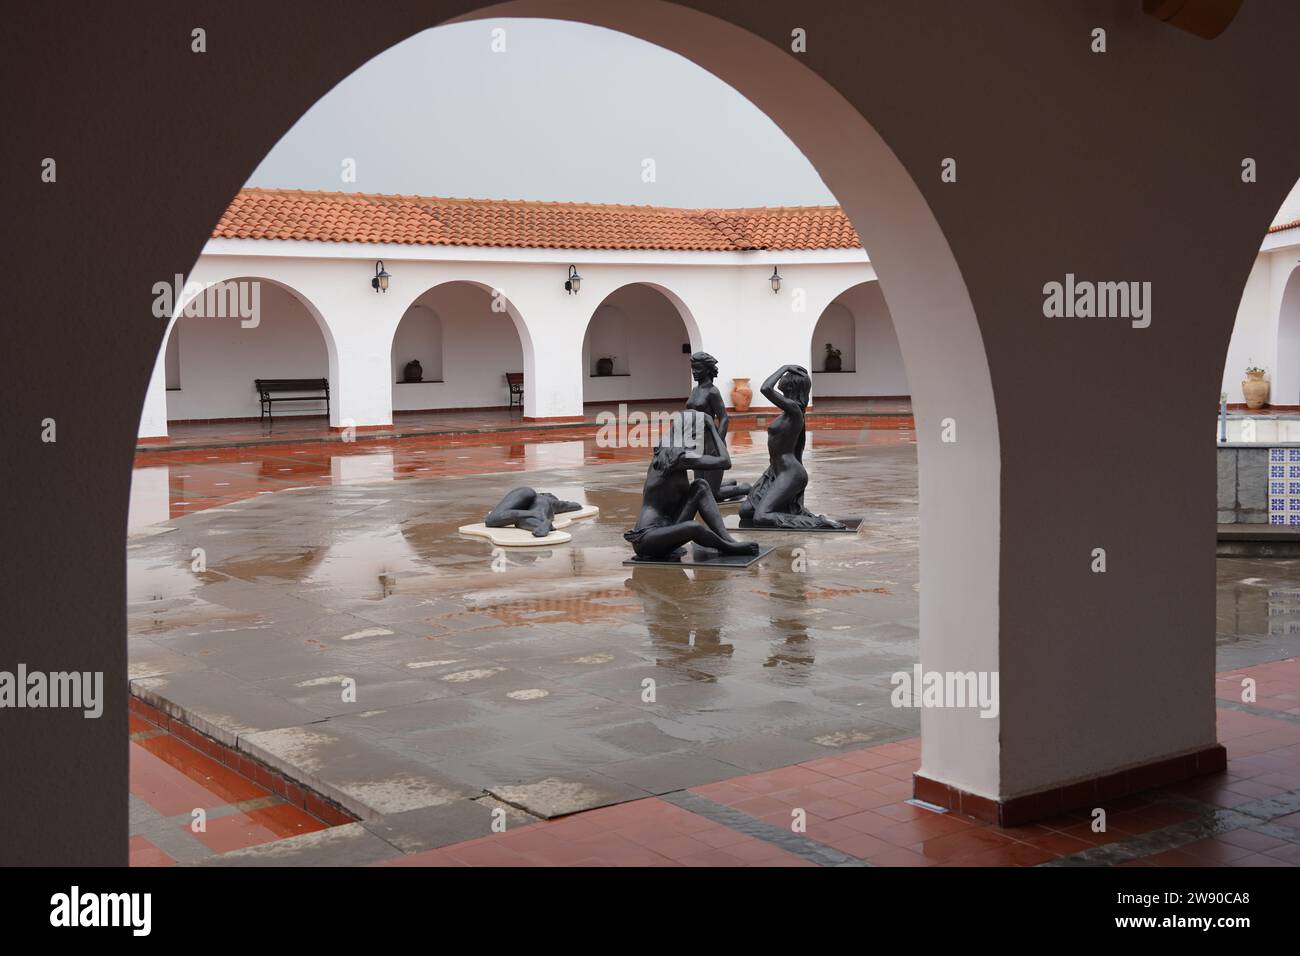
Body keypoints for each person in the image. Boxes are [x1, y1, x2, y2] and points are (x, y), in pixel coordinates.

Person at [625, 410, 761, 559]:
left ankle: (728, 540)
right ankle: (728, 547)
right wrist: (711, 427)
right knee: (694, 527)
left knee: (700, 486)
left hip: (667, 527)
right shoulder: (678, 458)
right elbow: (725, 461)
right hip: (648, 538)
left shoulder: (672, 452)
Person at [739, 364, 845, 529]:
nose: (782, 377)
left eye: (787, 375)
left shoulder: (794, 410)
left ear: (791, 384)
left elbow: (766, 388)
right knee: (746, 511)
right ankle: (787, 511)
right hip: (774, 471)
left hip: (790, 472)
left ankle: (819, 522)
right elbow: (798, 450)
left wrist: (785, 367)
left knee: (761, 517)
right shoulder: (791, 412)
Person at [685, 351, 751, 502]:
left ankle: (745, 488)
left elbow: (724, 418)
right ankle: (729, 485)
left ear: (707, 370)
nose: (694, 372)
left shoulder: (713, 391)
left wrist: (718, 442)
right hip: (697, 443)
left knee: (711, 496)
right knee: (699, 488)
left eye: (698, 368)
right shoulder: (695, 391)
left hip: (711, 443)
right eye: (693, 368)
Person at [484, 487, 583, 538]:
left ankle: (539, 522)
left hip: (524, 496)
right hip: (537, 508)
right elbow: (574, 505)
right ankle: (540, 521)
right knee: (530, 517)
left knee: (492, 520)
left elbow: (574, 505)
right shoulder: (548, 502)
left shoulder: (544, 499)